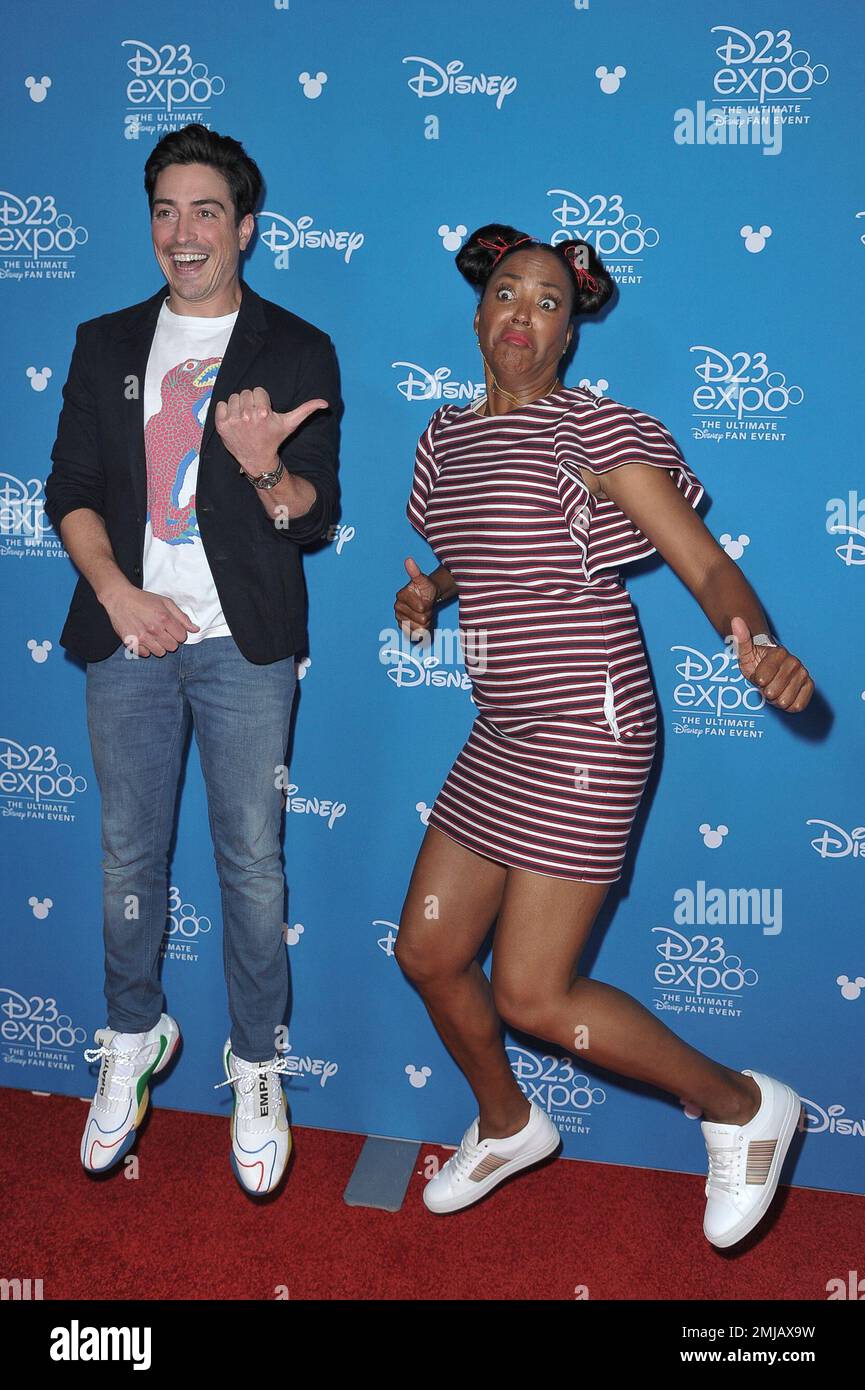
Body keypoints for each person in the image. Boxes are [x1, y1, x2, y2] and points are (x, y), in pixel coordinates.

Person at [393, 223, 812, 1248]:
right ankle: (508, 1123)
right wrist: (431, 588)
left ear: (570, 336)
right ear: (479, 313)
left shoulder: (596, 430)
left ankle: (743, 1105)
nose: (524, 313)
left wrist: (754, 643)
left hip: (592, 723)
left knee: (534, 992)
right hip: (502, 728)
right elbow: (476, 542)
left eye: (549, 301)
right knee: (430, 951)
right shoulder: (441, 439)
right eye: (507, 292)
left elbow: (703, 564)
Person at [43, 123, 341, 1197]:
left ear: (246, 227)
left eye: (205, 210)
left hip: (245, 648)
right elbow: (69, 489)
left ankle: (257, 1061)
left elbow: (313, 514)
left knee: (251, 866)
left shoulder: (296, 348)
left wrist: (267, 471)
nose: (182, 232)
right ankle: (134, 1033)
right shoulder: (105, 341)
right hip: (127, 638)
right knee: (129, 859)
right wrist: (122, 597)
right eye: (165, 209)